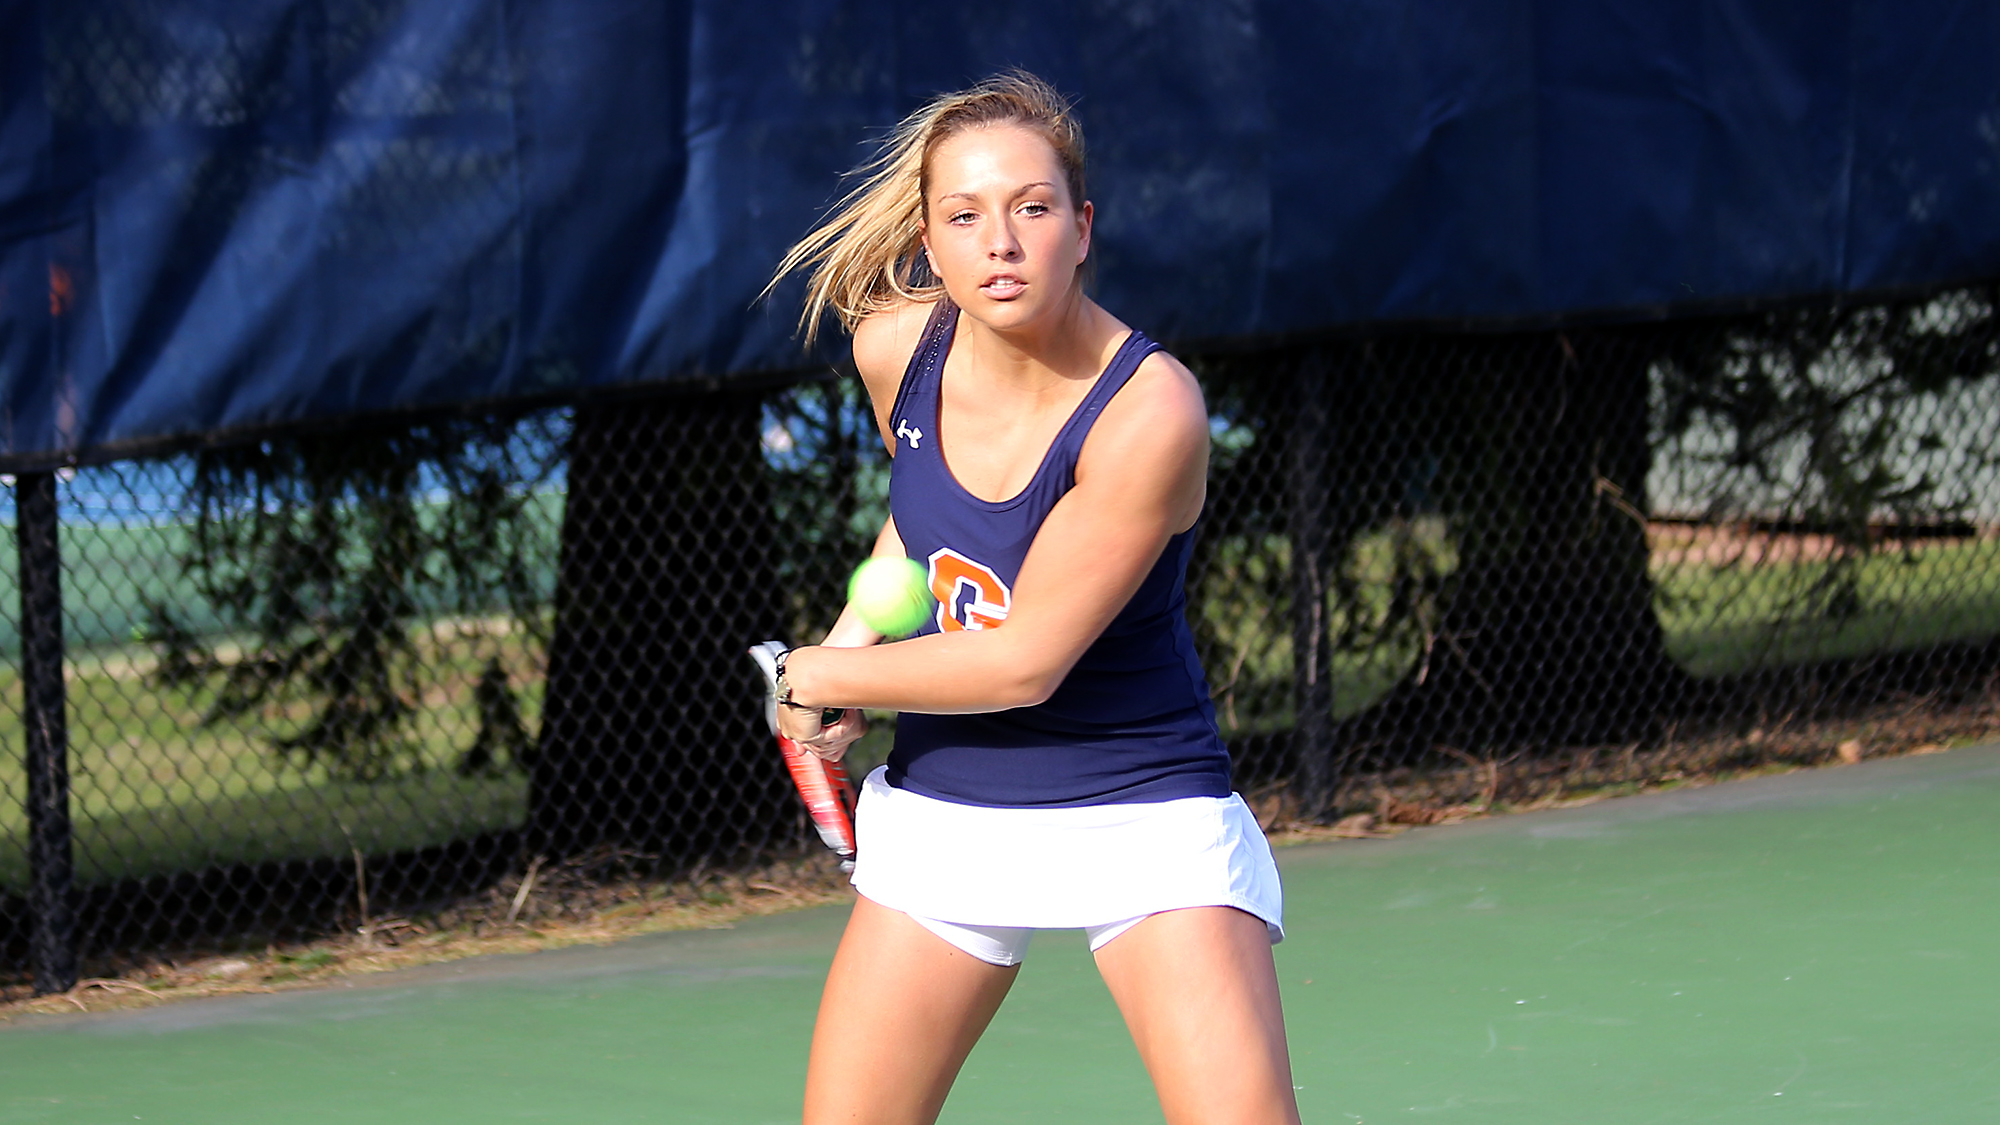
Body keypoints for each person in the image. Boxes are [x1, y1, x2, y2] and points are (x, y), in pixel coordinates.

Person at [764, 71, 1302, 1125]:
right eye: (964, 215)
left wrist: (817, 671)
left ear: (1081, 226)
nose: (998, 242)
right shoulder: (895, 351)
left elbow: (1023, 661)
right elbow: (922, 517)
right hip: (948, 811)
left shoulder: (1149, 410)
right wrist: (856, 630)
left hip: (1142, 813)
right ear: (929, 239)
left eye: (1031, 208)